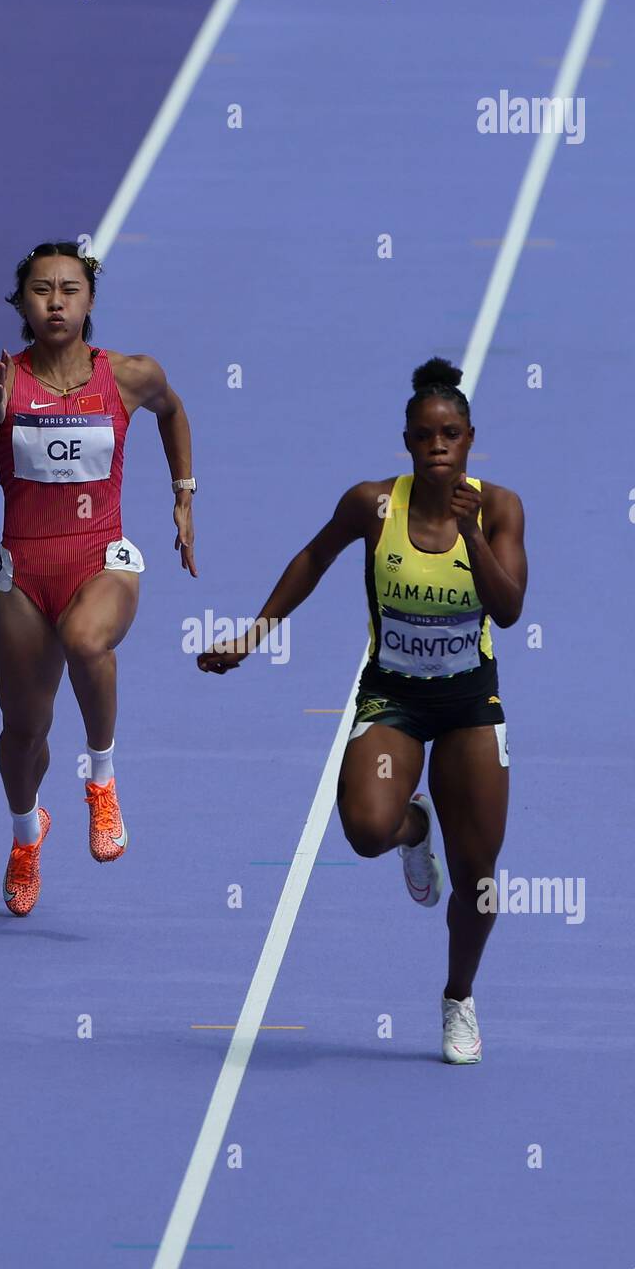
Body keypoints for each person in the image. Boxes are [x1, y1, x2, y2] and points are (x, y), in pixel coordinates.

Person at [197, 357, 526, 1063]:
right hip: (394, 697)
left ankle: (459, 998)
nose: (437, 446)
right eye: (423, 436)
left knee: (478, 879)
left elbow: (509, 607)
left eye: (451, 434)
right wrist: (252, 636)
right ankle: (414, 827)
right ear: (406, 444)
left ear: (470, 439)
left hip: (469, 702)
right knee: (365, 831)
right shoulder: (372, 505)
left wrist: (470, 537)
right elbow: (313, 558)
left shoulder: (498, 508)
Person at [0, 241, 197, 916]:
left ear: (89, 301)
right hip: (24, 575)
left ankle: (103, 782)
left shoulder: (128, 375)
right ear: (22, 304)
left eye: (68, 289)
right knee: (23, 735)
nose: (54, 301)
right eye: (39, 290)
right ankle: (27, 836)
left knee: (90, 642)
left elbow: (172, 411)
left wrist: (183, 492)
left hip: (100, 561)